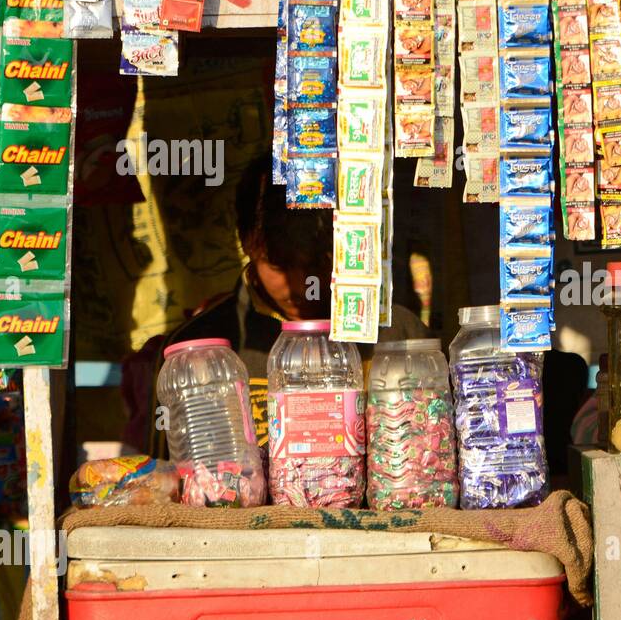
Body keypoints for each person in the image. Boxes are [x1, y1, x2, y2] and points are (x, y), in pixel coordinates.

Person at [124, 160, 426, 456]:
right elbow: (168, 481)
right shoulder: (195, 348)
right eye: (280, 265)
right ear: (246, 243)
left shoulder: (395, 333)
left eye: (315, 264)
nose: (299, 285)